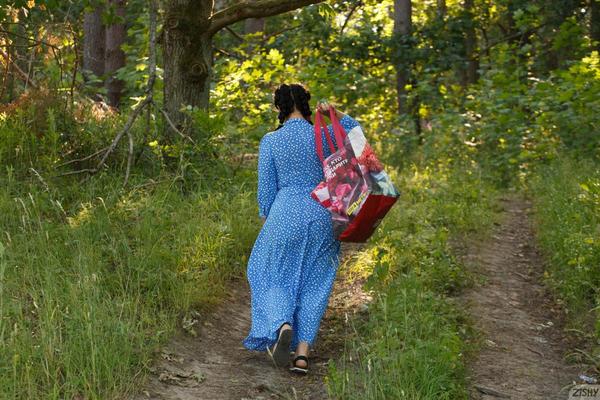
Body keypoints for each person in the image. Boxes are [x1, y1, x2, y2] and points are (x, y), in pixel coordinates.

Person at [242, 83, 361, 375]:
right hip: (323, 214)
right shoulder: (325, 133)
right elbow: (357, 134)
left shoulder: (271, 141)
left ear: (278, 107)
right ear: (306, 104)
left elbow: (266, 192)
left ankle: (281, 323)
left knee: (265, 269)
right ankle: (302, 355)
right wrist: (334, 112)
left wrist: (267, 221)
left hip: (285, 213)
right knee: (315, 281)